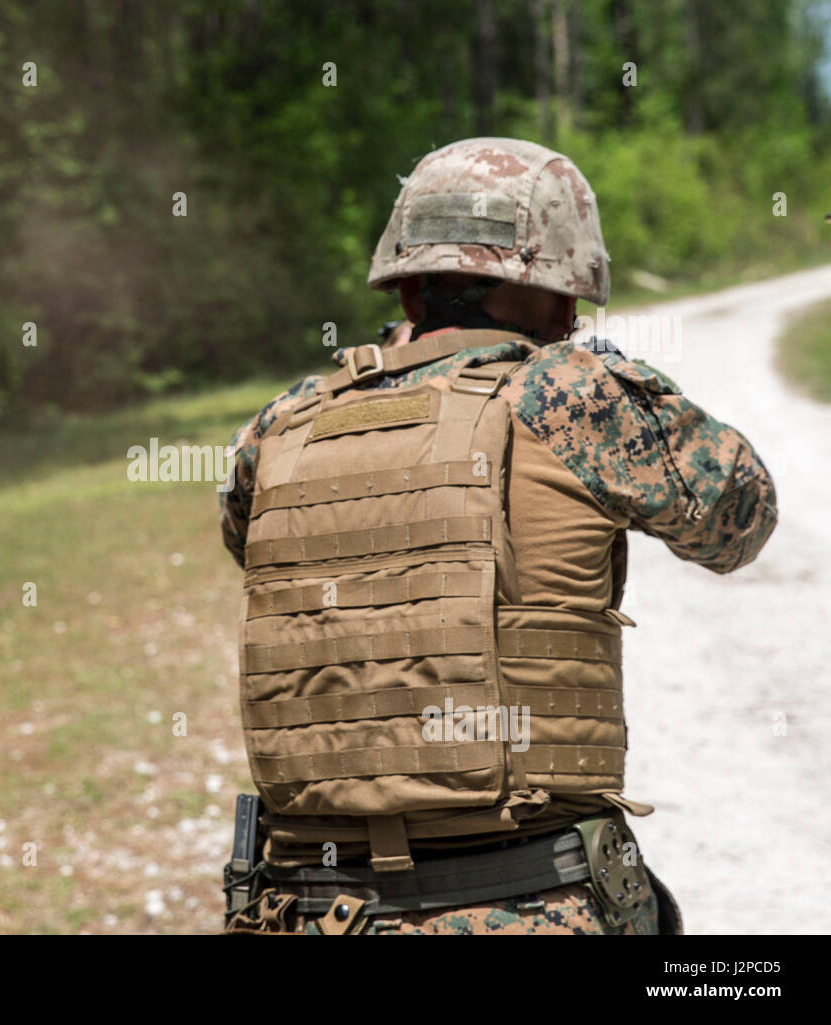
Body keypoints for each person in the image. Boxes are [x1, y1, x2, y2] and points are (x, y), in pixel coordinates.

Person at [217, 137, 778, 935]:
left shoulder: (280, 426)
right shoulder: (571, 395)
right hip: (523, 906)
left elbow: (250, 542)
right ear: (560, 301)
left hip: (305, 911)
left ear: (409, 294)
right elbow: (741, 519)